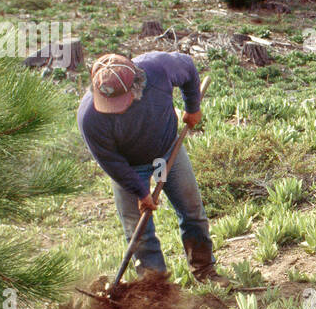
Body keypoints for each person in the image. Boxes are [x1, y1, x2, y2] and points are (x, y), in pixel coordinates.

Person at [78, 51, 224, 284]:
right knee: (139, 233)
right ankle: (156, 292)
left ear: (137, 87)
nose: (111, 108)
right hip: (128, 167)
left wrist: (193, 107)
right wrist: (140, 191)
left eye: (117, 102)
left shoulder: (159, 69)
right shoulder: (89, 117)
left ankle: (205, 271)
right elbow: (110, 161)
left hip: (166, 155)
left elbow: (188, 68)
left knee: (192, 212)